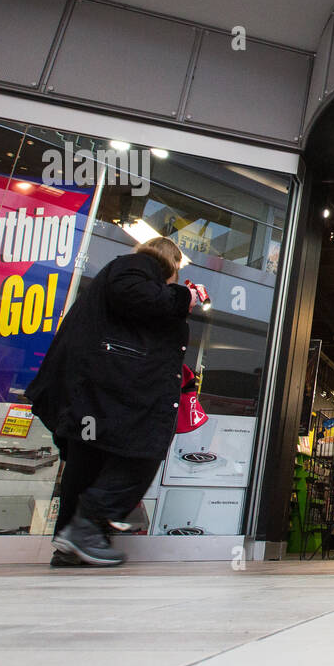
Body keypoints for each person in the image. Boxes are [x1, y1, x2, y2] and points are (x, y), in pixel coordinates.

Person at [26, 236, 206, 567]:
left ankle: (71, 545)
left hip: (96, 389)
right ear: (171, 265)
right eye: (176, 274)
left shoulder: (125, 274)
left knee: (87, 463)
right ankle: (85, 529)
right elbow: (133, 295)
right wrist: (184, 297)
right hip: (112, 388)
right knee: (145, 451)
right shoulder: (138, 266)